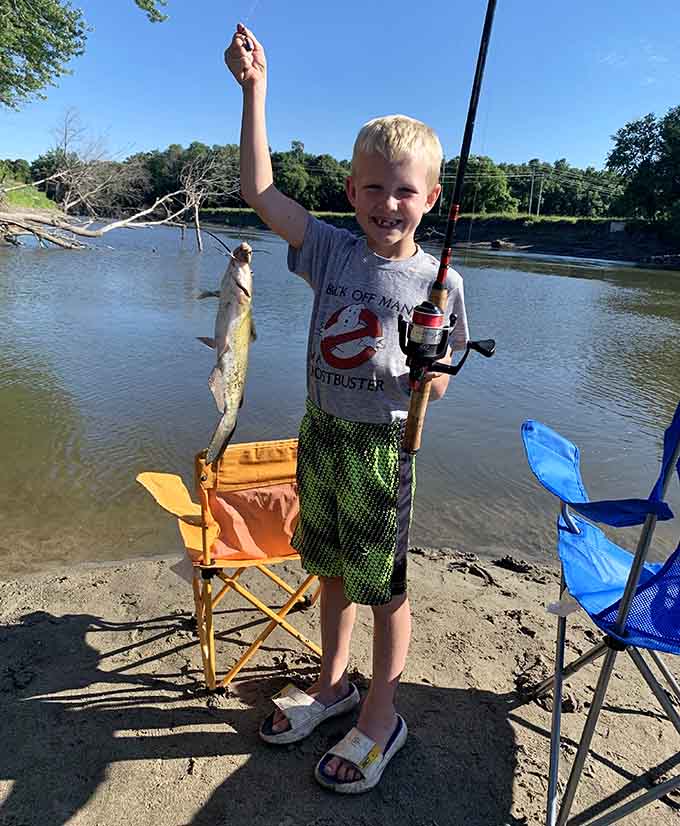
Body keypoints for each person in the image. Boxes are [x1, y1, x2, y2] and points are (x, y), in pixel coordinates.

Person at [225, 22, 469, 794]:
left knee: (384, 589)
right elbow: (258, 193)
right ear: (351, 193)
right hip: (322, 435)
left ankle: (381, 716)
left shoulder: (442, 283)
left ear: (430, 197)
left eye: (405, 190)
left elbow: (446, 375)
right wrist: (254, 89)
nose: (388, 203)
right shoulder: (330, 250)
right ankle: (334, 686)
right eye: (373, 188)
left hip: (381, 452)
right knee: (329, 570)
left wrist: (433, 375)